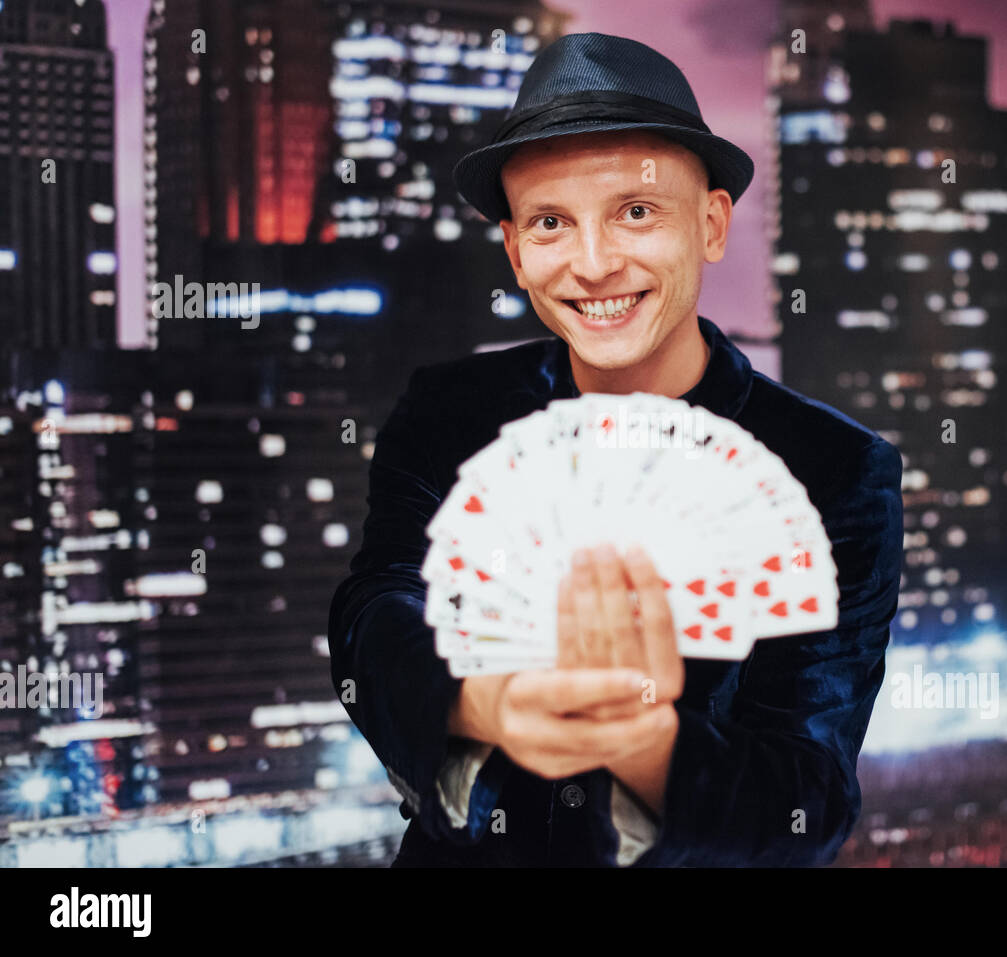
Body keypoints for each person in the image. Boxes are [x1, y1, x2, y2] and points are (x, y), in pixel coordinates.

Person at [327, 32, 903, 867]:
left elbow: (806, 805)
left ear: (711, 223)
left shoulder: (835, 471)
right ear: (517, 252)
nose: (593, 265)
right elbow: (370, 619)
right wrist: (479, 706)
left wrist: (647, 748)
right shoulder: (446, 413)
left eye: (636, 212)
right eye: (551, 223)